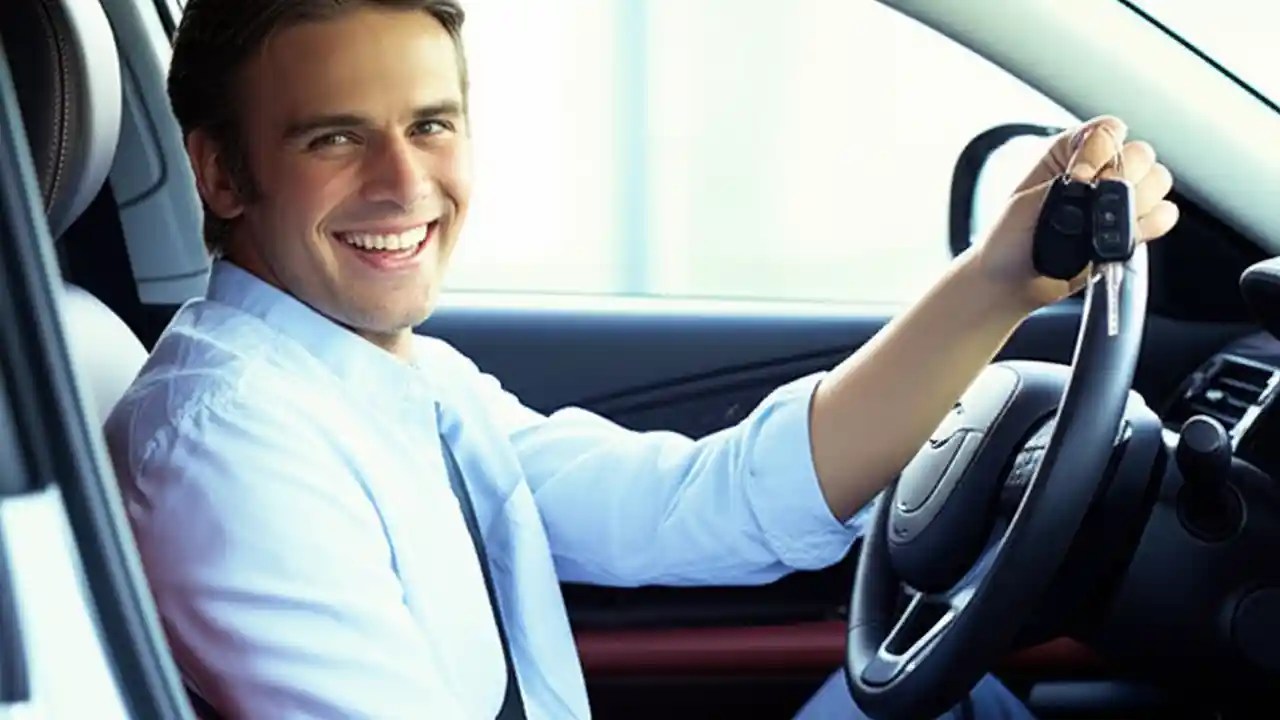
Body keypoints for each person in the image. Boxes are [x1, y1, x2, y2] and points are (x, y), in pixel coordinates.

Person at [103, 1, 1179, 718]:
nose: (404, 183)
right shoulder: (227, 444)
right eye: (333, 138)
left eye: (430, 125)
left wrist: (997, 281)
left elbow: (700, 504)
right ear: (222, 174)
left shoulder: (398, 381)